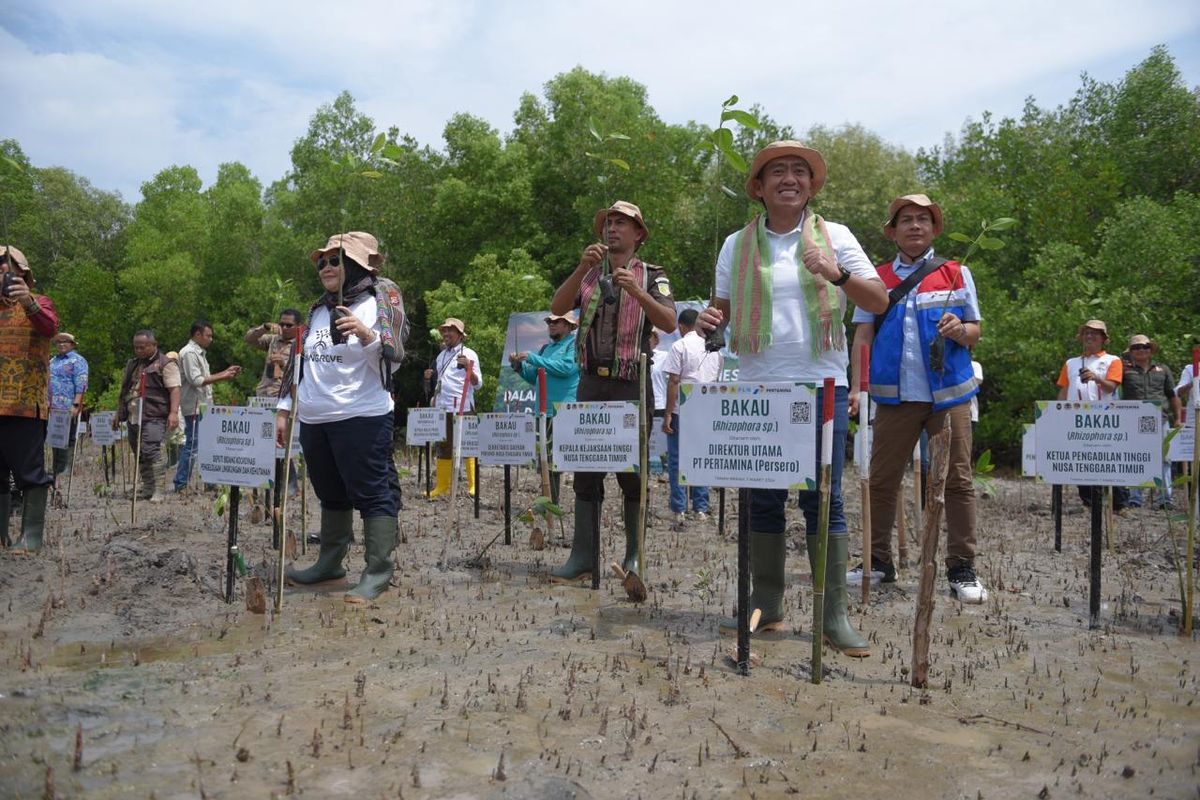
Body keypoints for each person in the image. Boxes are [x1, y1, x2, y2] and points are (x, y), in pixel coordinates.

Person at [695, 141, 887, 656]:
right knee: (764, 499)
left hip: (822, 382)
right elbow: (720, 315)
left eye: (799, 172)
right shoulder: (736, 245)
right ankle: (769, 606)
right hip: (760, 387)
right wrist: (709, 321)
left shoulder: (837, 237)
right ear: (757, 187)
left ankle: (833, 616)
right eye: (776, 171)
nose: (789, 179)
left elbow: (878, 300)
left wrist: (836, 273)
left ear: (811, 186)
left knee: (824, 499)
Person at [847, 194, 986, 603]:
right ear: (892, 230)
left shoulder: (956, 273)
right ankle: (877, 562)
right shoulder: (875, 278)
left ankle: (962, 568)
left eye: (923, 219)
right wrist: (858, 386)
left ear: (934, 229)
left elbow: (976, 330)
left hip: (949, 396)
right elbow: (863, 335)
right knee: (882, 480)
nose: (914, 226)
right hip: (894, 397)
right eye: (905, 219)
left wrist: (961, 330)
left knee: (957, 481)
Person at [548, 200, 677, 583]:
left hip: (630, 385)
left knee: (631, 473)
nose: (612, 229)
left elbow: (668, 322)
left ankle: (634, 558)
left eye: (622, 223)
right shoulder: (589, 273)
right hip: (591, 383)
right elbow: (557, 306)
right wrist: (581, 267)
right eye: (608, 223)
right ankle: (583, 556)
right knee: (586, 471)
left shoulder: (653, 275)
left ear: (638, 234)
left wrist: (637, 292)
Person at [281, 232, 404, 604]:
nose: (326, 268)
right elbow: (299, 364)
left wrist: (368, 335)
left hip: (362, 415)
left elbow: (393, 362)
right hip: (316, 419)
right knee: (330, 493)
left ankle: (378, 570)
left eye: (335, 261)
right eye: (322, 263)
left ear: (354, 265)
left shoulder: (377, 305)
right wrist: (285, 410)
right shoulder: (319, 310)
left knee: (372, 493)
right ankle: (330, 563)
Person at [0, 245, 60, 553]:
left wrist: (28, 303)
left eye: (5, 267)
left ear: (22, 273)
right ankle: (2, 537)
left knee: (29, 473)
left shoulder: (40, 302)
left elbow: (50, 328)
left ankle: (31, 537)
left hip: (24, 406)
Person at [1056, 319, 1127, 511]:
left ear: (1103, 338)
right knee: (1081, 458)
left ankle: (1119, 504)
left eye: (1095, 333)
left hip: (1104, 418)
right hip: (1076, 418)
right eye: (1086, 333)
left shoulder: (1113, 360)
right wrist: (1056, 414)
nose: (1090, 337)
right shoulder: (1071, 363)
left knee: (1110, 459)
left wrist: (1096, 378)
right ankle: (1088, 501)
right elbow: (1064, 390)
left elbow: (1112, 386)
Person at [509, 311, 580, 503]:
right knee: (545, 461)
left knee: (556, 461)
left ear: (568, 326)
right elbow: (533, 377)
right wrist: (519, 367)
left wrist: (532, 358)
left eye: (556, 322)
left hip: (563, 411)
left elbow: (566, 369)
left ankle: (552, 503)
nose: (551, 325)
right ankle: (549, 502)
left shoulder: (574, 345)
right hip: (543, 411)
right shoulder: (545, 348)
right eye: (549, 322)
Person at [662, 308, 722, 527]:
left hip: (682, 409)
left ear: (680, 327)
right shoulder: (715, 350)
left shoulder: (679, 346)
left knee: (677, 459)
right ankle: (701, 508)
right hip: (706, 409)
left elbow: (674, 381)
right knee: (701, 458)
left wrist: (668, 413)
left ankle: (679, 509)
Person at [174, 321, 241, 492]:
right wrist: (224, 375)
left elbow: (205, 378)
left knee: (207, 445)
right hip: (195, 407)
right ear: (197, 335)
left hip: (204, 406)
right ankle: (180, 484)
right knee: (193, 444)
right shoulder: (189, 353)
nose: (211, 339)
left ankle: (210, 482)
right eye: (208, 335)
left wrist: (224, 373)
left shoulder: (200, 353)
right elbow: (197, 381)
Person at [116, 330, 181, 503]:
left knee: (152, 450)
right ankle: (148, 487)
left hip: (154, 414)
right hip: (133, 414)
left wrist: (173, 413)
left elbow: (174, 389)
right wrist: (118, 413)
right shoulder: (133, 364)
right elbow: (124, 390)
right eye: (136, 347)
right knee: (139, 452)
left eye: (142, 347)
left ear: (154, 345)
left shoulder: (166, 364)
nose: (138, 350)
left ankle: (159, 489)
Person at [246, 311, 303, 503]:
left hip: (284, 399)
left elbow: (304, 369)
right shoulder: (273, 340)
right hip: (264, 396)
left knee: (283, 446)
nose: (284, 328)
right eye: (282, 324)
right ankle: (265, 485)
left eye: (289, 325)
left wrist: (284, 362)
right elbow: (249, 339)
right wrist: (264, 327)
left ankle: (291, 487)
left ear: (298, 326)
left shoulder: (302, 344)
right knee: (262, 443)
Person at [423, 318, 483, 498]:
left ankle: (473, 486)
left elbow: (478, 384)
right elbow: (441, 381)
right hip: (444, 406)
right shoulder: (441, 356)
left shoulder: (470, 354)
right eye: (444, 331)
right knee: (443, 446)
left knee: (468, 445)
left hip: (463, 405)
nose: (446, 334)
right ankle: (442, 486)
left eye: (451, 331)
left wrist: (468, 369)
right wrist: (434, 394)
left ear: (460, 335)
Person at [1121, 334, 1182, 509]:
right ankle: (1135, 498)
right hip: (1132, 420)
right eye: (1136, 347)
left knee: (1164, 458)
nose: (1141, 350)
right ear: (1130, 352)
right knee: (1134, 457)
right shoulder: (1124, 370)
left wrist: (1177, 418)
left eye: (1145, 347)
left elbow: (1173, 395)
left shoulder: (1163, 370)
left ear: (1150, 350)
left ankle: (1165, 498)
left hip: (1160, 419)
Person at [48, 332, 89, 480]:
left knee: (68, 436)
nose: (61, 344)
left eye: (65, 342)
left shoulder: (77, 361)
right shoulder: (53, 361)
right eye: (59, 342)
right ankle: (56, 467)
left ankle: (66, 467)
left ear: (72, 344)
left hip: (68, 404)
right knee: (55, 436)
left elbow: (82, 383)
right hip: (52, 406)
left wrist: (76, 404)